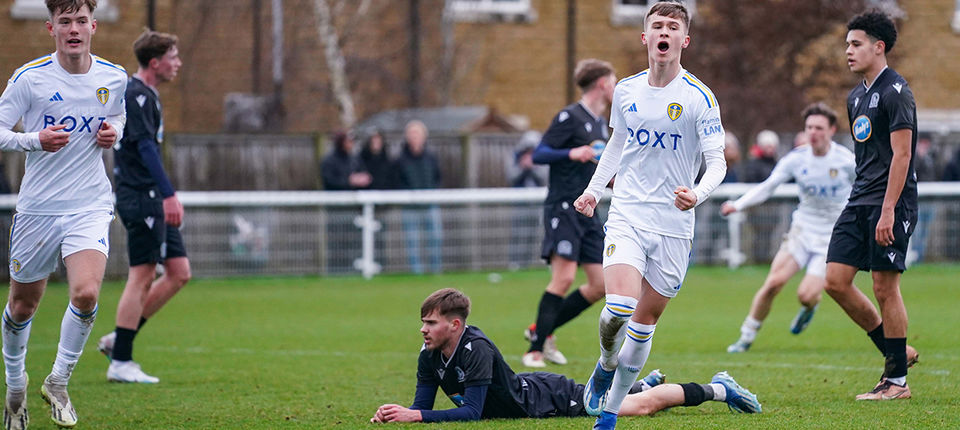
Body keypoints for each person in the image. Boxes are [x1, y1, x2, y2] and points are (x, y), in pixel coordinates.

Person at [573, 2, 737, 428]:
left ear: (685, 40)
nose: (665, 32)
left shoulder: (699, 97)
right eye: (657, 26)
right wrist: (593, 191)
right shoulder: (626, 91)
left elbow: (717, 161)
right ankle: (606, 364)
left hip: (674, 227)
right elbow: (616, 146)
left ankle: (608, 416)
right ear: (645, 38)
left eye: (673, 26)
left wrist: (697, 194)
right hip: (627, 213)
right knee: (620, 307)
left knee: (644, 326)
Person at [0, 0, 127, 427]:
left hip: (89, 204)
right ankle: (15, 386)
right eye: (64, 21)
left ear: (93, 25)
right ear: (50, 27)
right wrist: (33, 139)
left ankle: (58, 381)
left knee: (87, 293)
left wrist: (114, 132)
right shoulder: (30, 78)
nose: (73, 28)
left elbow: (117, 116)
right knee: (22, 305)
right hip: (38, 209)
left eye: (80, 21)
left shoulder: (114, 77)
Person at [369, 288, 760, 424]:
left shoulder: (477, 350)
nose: (424, 329)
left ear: (454, 325)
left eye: (431, 323)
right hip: (536, 388)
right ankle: (641, 381)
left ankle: (718, 389)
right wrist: (399, 413)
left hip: (549, 399)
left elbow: (472, 413)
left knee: (637, 409)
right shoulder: (429, 354)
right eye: (423, 322)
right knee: (625, 397)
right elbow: (421, 408)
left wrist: (416, 415)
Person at [824, 10, 919, 401]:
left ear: (878, 48)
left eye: (856, 44)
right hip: (859, 199)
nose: (848, 51)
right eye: (847, 44)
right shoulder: (855, 96)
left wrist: (888, 210)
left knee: (884, 285)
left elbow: (902, 155)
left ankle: (896, 382)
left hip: (890, 203)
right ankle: (897, 352)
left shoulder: (897, 92)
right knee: (835, 280)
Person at [96, 30, 190, 386]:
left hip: (152, 196)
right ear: (155, 62)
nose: (178, 63)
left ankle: (117, 338)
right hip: (141, 197)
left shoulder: (148, 95)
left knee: (179, 272)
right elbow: (146, 150)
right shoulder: (135, 96)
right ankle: (120, 360)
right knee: (142, 275)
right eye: (173, 56)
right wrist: (168, 194)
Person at [722, 103, 856, 353]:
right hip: (802, 231)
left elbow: (865, 189)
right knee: (773, 283)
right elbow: (768, 186)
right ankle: (746, 336)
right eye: (809, 127)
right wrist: (738, 205)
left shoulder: (846, 161)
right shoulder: (797, 159)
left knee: (806, 295)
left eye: (819, 127)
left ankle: (809, 308)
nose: (813, 132)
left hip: (831, 238)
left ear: (832, 130)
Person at [520, 59, 614, 368]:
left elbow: (595, 162)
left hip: (588, 210)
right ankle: (534, 350)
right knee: (564, 278)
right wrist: (570, 153)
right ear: (602, 84)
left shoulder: (601, 123)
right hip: (563, 206)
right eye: (613, 81)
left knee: (600, 284)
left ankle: (540, 331)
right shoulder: (569, 117)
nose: (616, 86)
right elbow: (540, 153)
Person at [395, 120, 442, 274]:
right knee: (412, 242)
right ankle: (417, 273)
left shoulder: (431, 157)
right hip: (410, 207)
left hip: (430, 204)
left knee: (435, 238)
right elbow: (397, 180)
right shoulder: (400, 159)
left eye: (418, 134)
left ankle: (435, 271)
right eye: (412, 134)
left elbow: (437, 177)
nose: (415, 137)